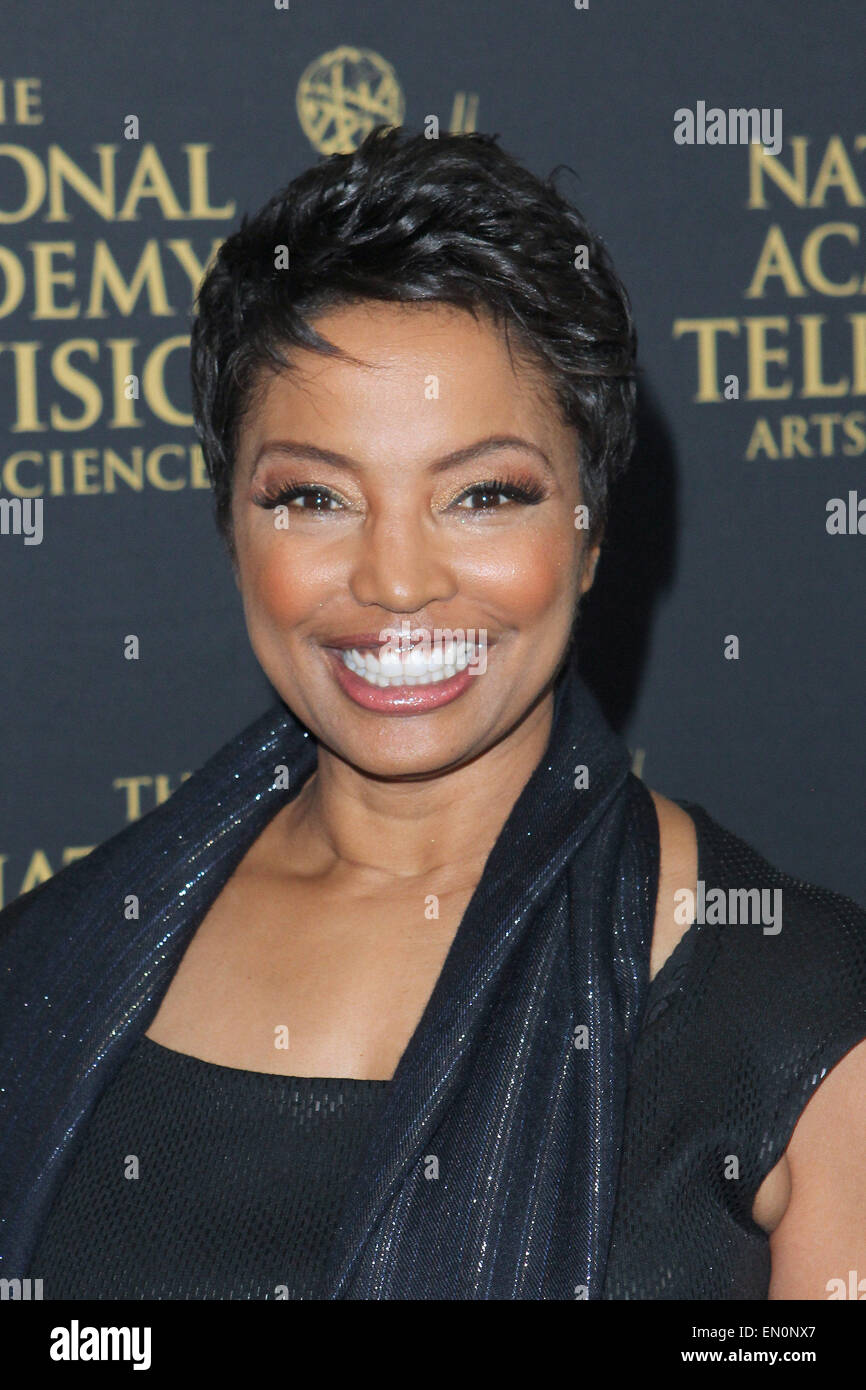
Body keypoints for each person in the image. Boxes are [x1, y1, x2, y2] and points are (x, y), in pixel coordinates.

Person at [1, 126, 864, 1301]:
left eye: (482, 494)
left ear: (591, 531)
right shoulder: (44, 967)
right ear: (233, 530)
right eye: (312, 496)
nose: (395, 581)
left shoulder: (798, 1010)